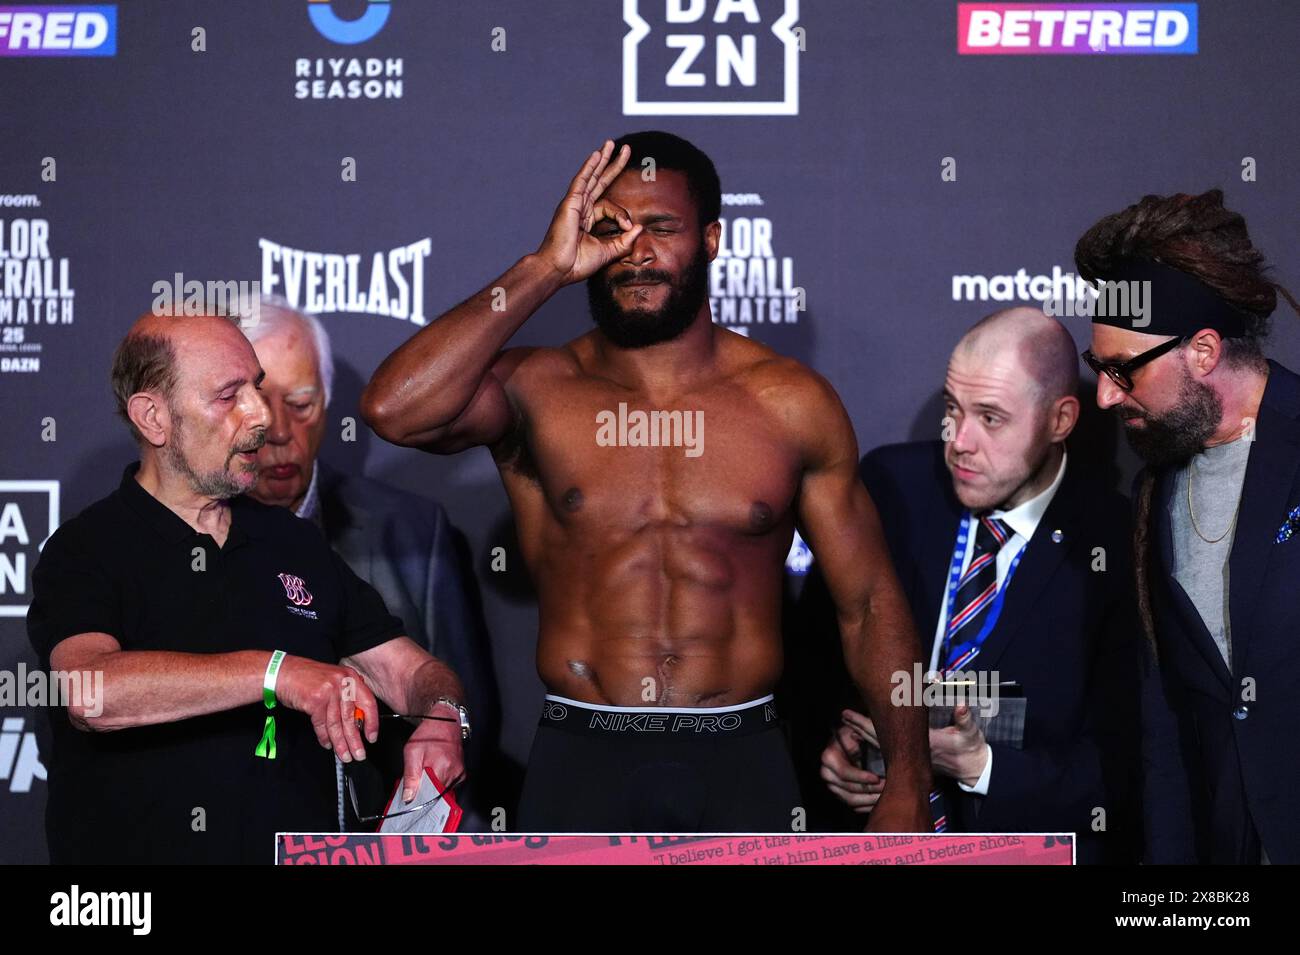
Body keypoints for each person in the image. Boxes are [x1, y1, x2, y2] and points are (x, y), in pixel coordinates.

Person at [361, 131, 930, 832]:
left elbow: (868, 602)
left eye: (661, 227)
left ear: (713, 239)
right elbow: (393, 409)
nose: (637, 251)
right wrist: (545, 266)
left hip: (741, 753)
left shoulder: (791, 401)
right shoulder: (539, 387)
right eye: (611, 228)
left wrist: (909, 774)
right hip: (582, 751)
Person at [26, 310, 466, 863]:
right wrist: (278, 673)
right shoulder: (87, 547)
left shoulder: (293, 542)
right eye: (228, 396)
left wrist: (443, 717)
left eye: (255, 388)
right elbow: (89, 693)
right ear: (154, 419)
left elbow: (411, 672)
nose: (262, 416)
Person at [814, 308, 1141, 862]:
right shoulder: (894, 488)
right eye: (952, 410)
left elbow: (1130, 765)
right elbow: (819, 660)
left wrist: (980, 767)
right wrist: (837, 750)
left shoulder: (1116, 543)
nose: (959, 441)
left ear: (1060, 420)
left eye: (991, 418)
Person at [1076, 188, 1300, 864]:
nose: (1105, 395)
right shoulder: (1154, 488)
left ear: (1203, 350)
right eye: (1099, 368)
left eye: (1122, 370)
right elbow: (1166, 724)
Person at [242, 297, 498, 828]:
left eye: (303, 403)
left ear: (329, 403)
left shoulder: (411, 531)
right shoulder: (178, 539)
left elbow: (466, 715)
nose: (281, 430)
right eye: (260, 404)